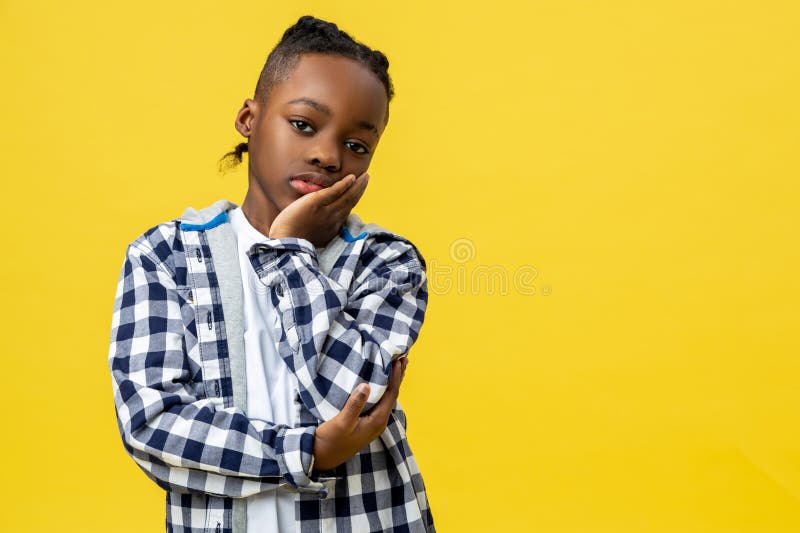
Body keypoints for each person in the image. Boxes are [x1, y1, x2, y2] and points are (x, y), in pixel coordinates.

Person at [107, 15, 435, 533]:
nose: (327, 155)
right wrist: (303, 453)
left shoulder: (386, 262)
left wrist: (285, 252)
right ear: (248, 118)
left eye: (357, 146)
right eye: (304, 124)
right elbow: (153, 426)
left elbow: (353, 399)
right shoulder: (164, 256)